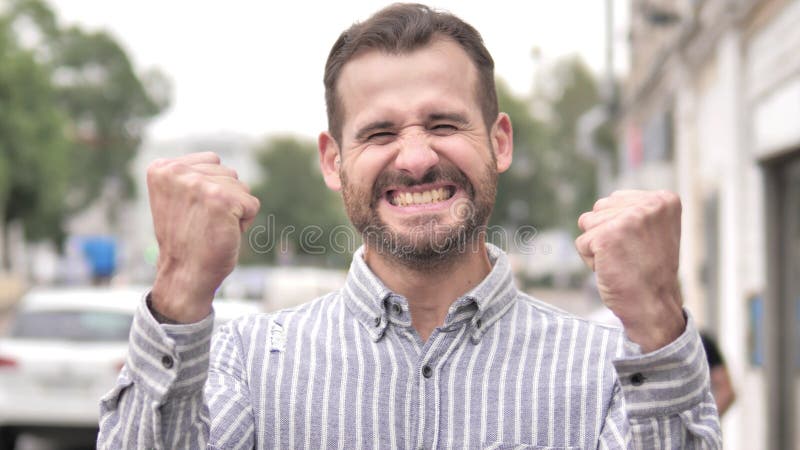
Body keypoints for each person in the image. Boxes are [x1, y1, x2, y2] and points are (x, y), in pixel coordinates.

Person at [97, 4, 721, 448]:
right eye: (380, 132)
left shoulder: (611, 369)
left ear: (499, 141)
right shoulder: (248, 365)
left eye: (444, 124)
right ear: (333, 161)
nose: (417, 156)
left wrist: (659, 323)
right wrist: (179, 290)